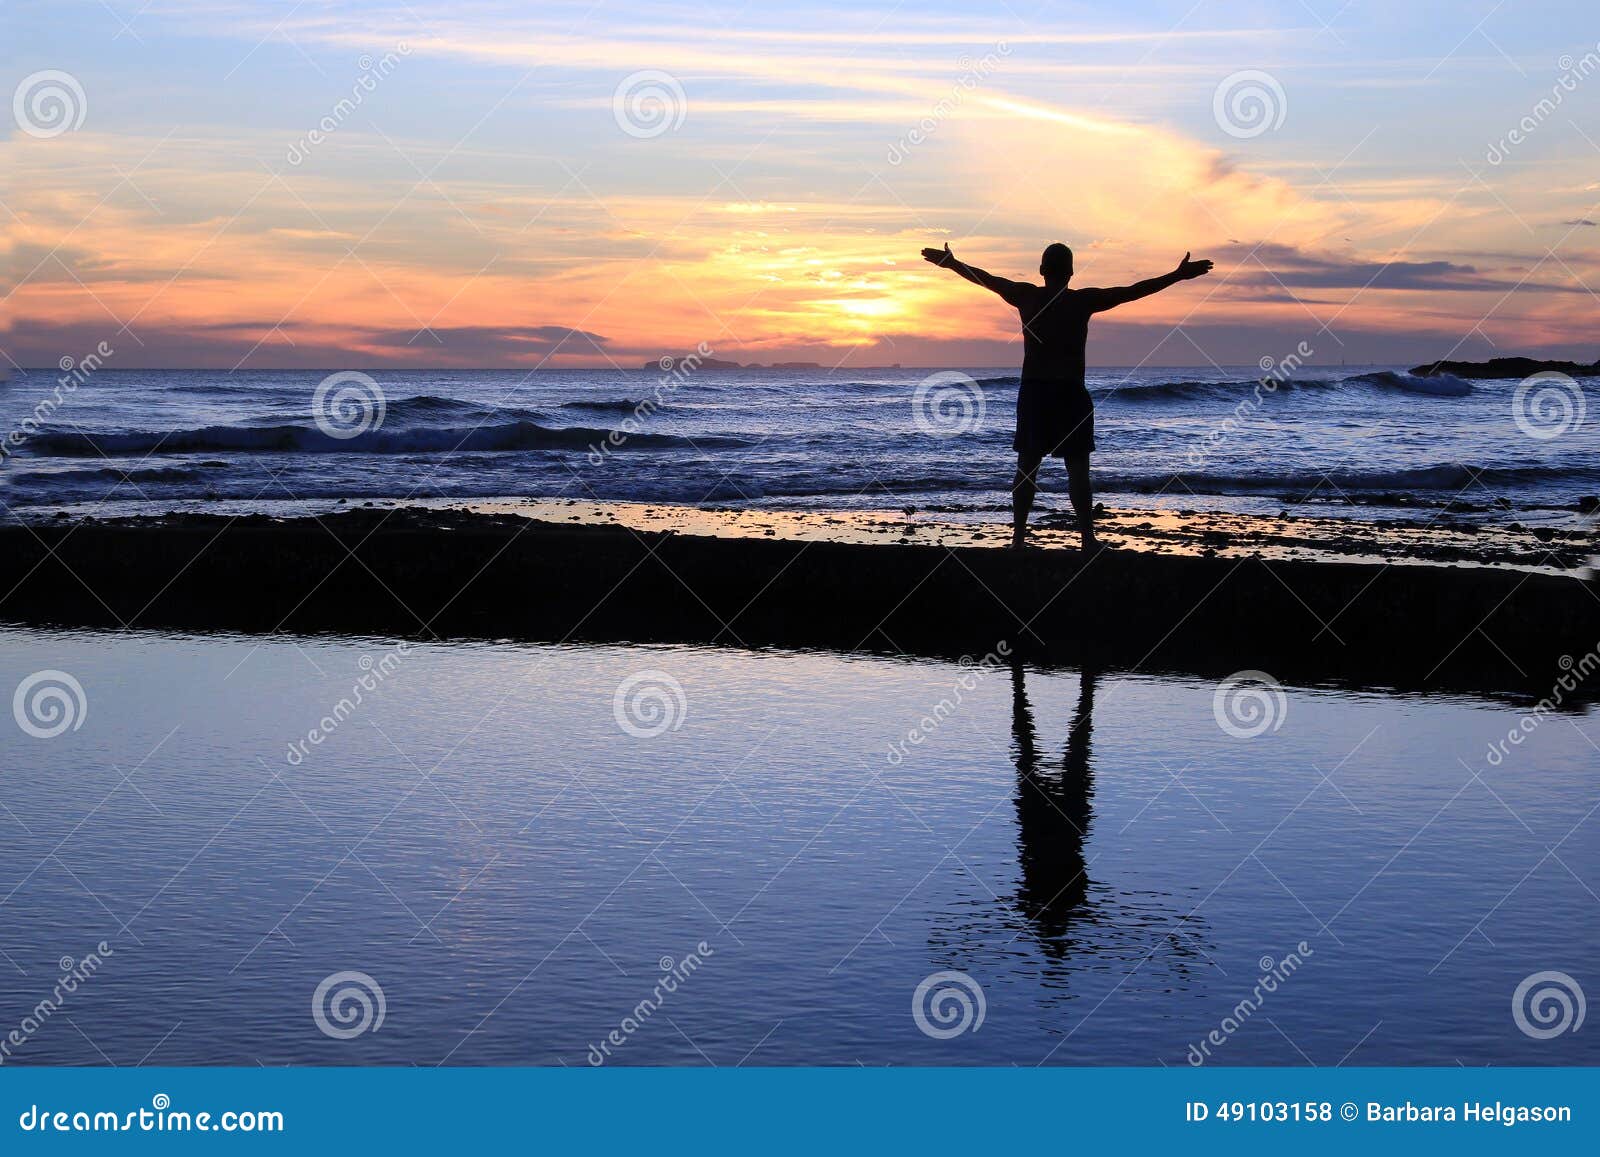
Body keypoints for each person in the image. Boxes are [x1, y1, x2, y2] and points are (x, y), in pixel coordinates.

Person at [921, 241, 1213, 551]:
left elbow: (986, 279)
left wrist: (953, 263)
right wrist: (1177, 275)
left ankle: (1018, 540)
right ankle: (1087, 539)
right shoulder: (1081, 301)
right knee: (1077, 469)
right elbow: (1132, 291)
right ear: (1071, 273)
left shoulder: (1026, 295)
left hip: (1035, 392)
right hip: (1070, 392)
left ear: (1041, 270)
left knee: (1027, 467)